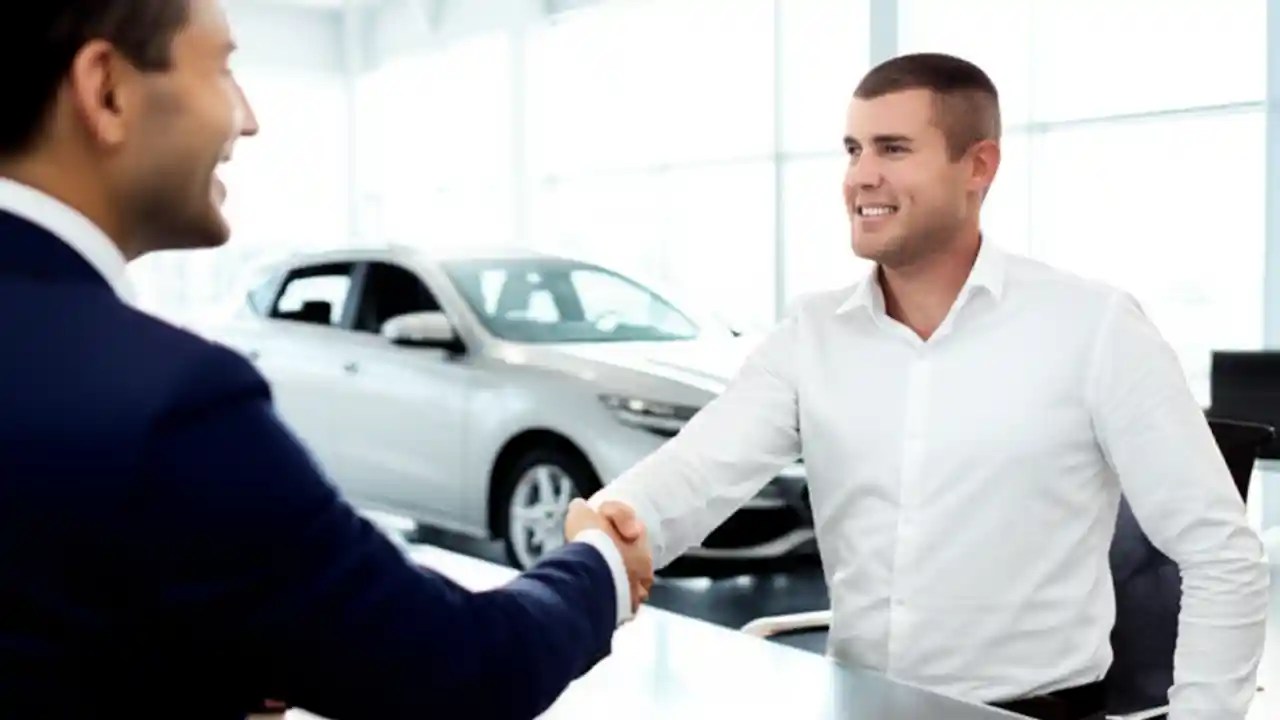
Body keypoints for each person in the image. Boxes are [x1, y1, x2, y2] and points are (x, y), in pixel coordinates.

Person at [0, 2, 652, 718]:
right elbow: (463, 670)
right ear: (107, 91)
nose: (246, 119)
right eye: (221, 67)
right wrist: (599, 567)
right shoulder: (171, 401)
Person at [579, 52, 1269, 720]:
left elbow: (1220, 554)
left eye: (893, 148)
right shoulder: (813, 333)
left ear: (979, 166)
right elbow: (696, 472)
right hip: (855, 705)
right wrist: (606, 528)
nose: (861, 177)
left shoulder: (1094, 327)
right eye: (853, 150)